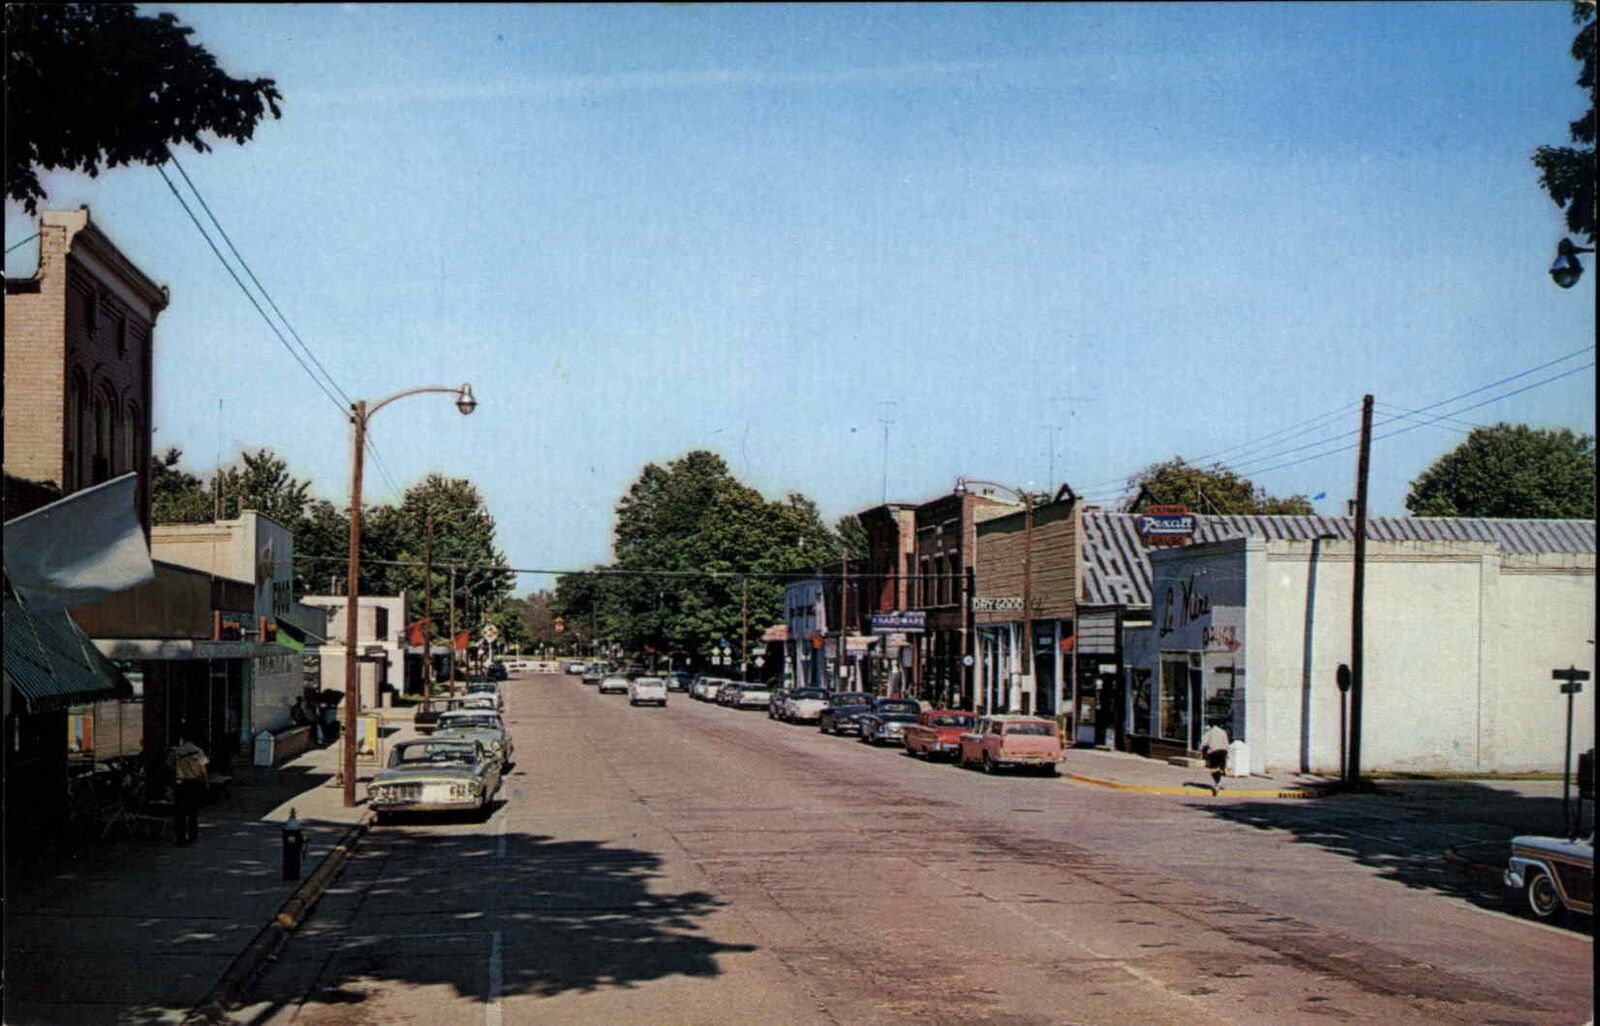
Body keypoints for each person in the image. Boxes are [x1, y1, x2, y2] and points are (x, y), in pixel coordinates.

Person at [167, 736, 209, 845]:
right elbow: (203, 770)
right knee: (193, 812)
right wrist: (206, 782)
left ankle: (181, 838)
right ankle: (193, 836)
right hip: (194, 784)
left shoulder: (176, 751)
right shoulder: (199, 751)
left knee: (180, 813)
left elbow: (170, 766)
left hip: (180, 783)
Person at [1200, 719, 1231, 795]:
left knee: (1214, 769)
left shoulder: (1209, 733)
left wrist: (1202, 751)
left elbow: (1204, 743)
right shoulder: (1223, 732)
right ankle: (1219, 783)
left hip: (1213, 753)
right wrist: (1227, 754)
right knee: (1221, 768)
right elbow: (1226, 744)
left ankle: (1217, 783)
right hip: (1222, 752)